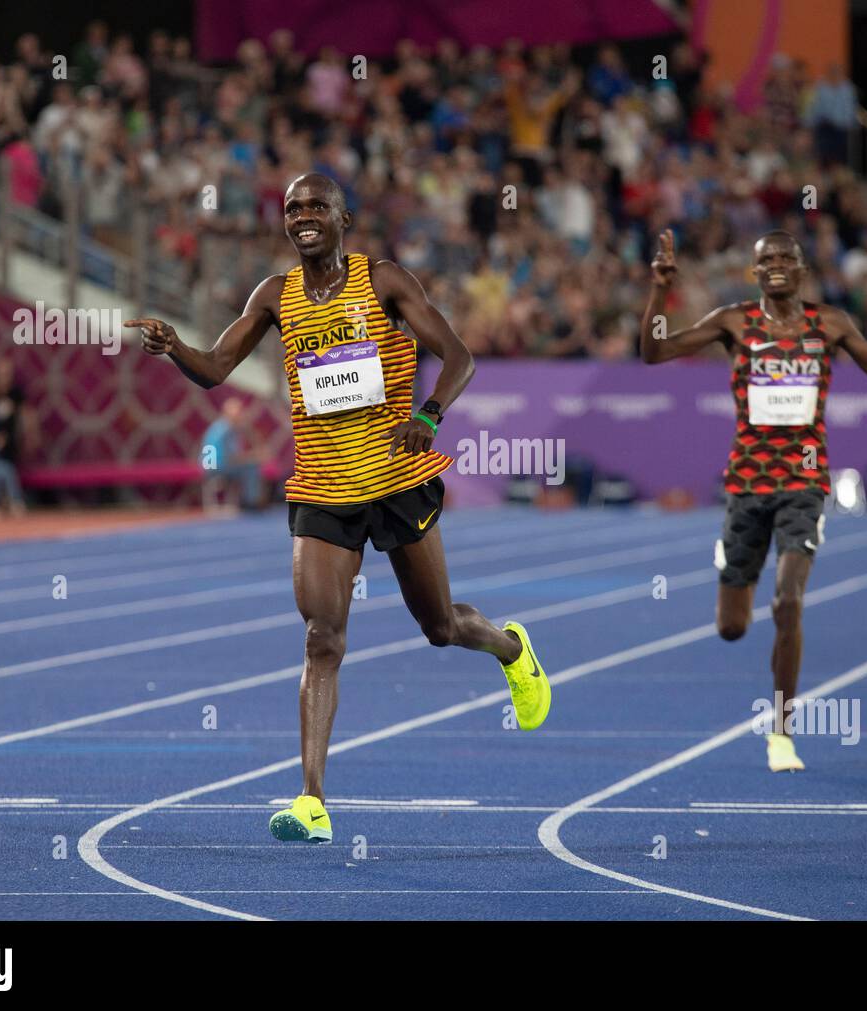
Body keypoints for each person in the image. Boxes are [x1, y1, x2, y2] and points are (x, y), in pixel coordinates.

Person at [126, 172, 550, 843]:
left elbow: (458, 355)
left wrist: (430, 416)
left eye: (316, 205)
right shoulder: (274, 296)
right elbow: (213, 368)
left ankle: (509, 647)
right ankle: (312, 800)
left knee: (440, 626)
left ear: (342, 216)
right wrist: (174, 344)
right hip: (323, 486)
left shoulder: (383, 281)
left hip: (396, 474)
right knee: (322, 638)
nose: (303, 216)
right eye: (293, 208)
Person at [640, 228, 867, 771]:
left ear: (802, 269)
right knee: (732, 628)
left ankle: (782, 731)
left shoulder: (830, 324)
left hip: (804, 483)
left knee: (788, 601)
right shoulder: (734, 322)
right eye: (766, 259)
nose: (776, 266)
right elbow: (653, 352)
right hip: (746, 484)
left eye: (787, 257)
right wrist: (658, 292)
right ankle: (730, 564)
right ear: (753, 269)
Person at [200, 397, 263, 510]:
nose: (241, 415)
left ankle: (249, 501)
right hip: (218, 467)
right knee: (251, 467)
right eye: (239, 412)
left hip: (210, 466)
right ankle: (250, 503)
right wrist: (252, 456)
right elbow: (232, 457)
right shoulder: (227, 430)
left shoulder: (218, 426)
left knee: (249, 465)